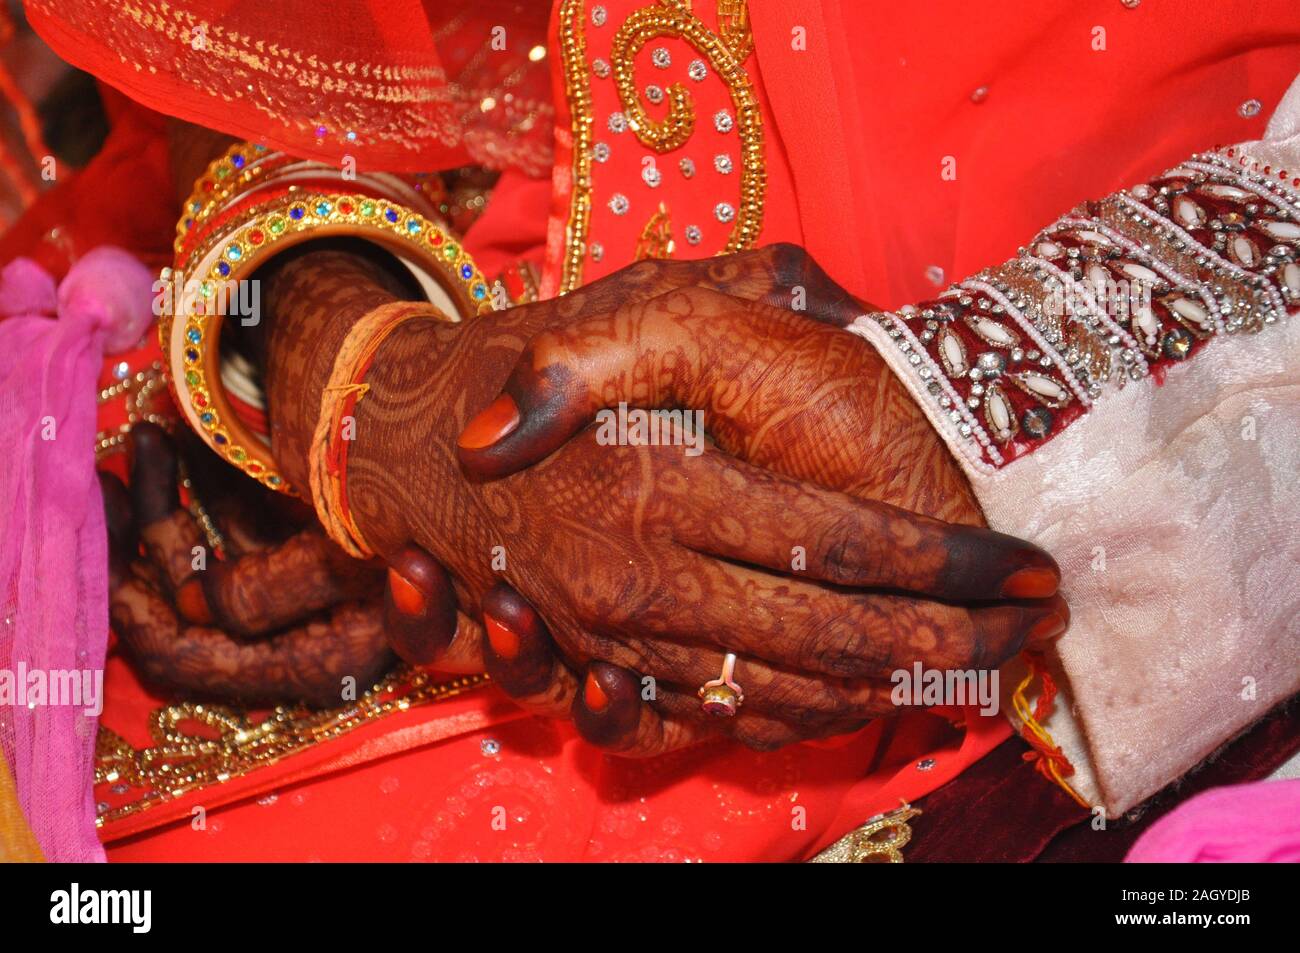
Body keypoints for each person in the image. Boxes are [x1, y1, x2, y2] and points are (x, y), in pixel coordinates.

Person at [2, 0, 1296, 862]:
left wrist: (1021, 403)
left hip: (1117, 463)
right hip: (440, 318)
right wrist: (346, 359)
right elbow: (251, 47)